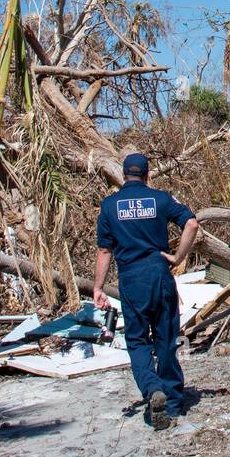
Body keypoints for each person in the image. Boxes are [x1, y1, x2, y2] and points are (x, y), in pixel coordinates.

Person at [93, 152, 198, 431]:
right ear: (148, 175)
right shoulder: (161, 199)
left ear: (124, 175)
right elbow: (191, 223)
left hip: (131, 277)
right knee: (166, 338)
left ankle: (152, 389)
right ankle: (173, 402)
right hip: (160, 272)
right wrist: (178, 257)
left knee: (138, 341)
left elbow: (104, 250)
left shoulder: (110, 205)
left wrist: (98, 287)